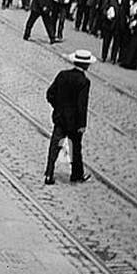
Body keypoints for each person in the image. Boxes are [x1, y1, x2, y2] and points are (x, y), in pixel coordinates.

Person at [44, 49, 93, 185]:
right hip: (74, 123)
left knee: (54, 146)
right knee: (75, 148)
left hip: (60, 118)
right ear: (86, 65)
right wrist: (82, 124)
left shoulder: (62, 75)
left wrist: (58, 107)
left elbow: (50, 94)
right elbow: (81, 105)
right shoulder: (84, 81)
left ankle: (49, 173)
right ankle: (76, 175)